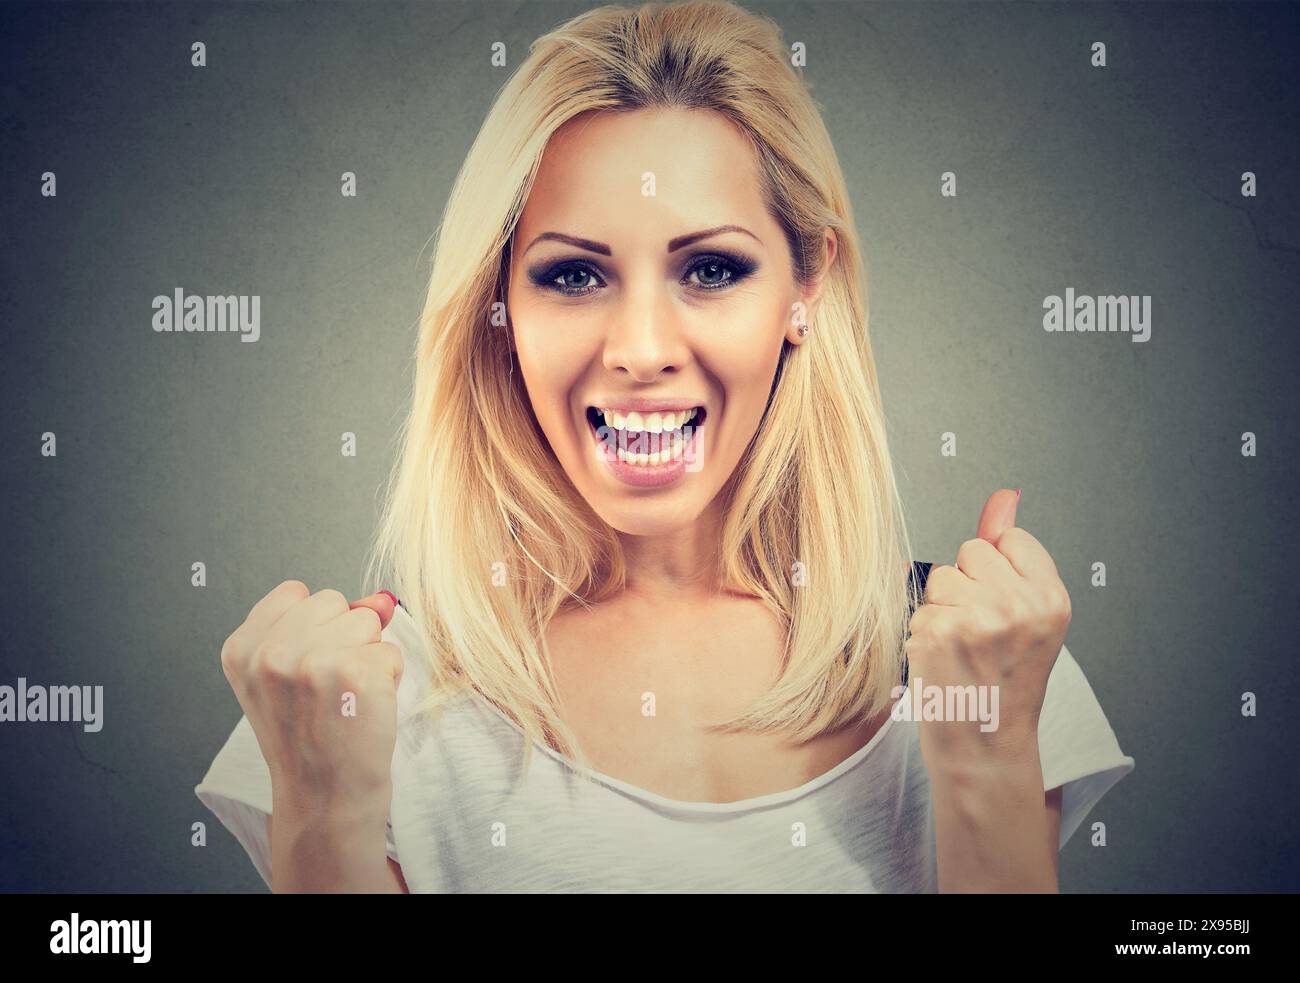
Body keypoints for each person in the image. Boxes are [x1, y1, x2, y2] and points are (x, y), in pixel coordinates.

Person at [195, 0, 1134, 893]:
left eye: (712, 268)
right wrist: (322, 811)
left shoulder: (984, 666)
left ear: (805, 289)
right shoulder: (357, 703)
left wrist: (987, 763)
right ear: (498, 312)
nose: (641, 349)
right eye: (572, 274)